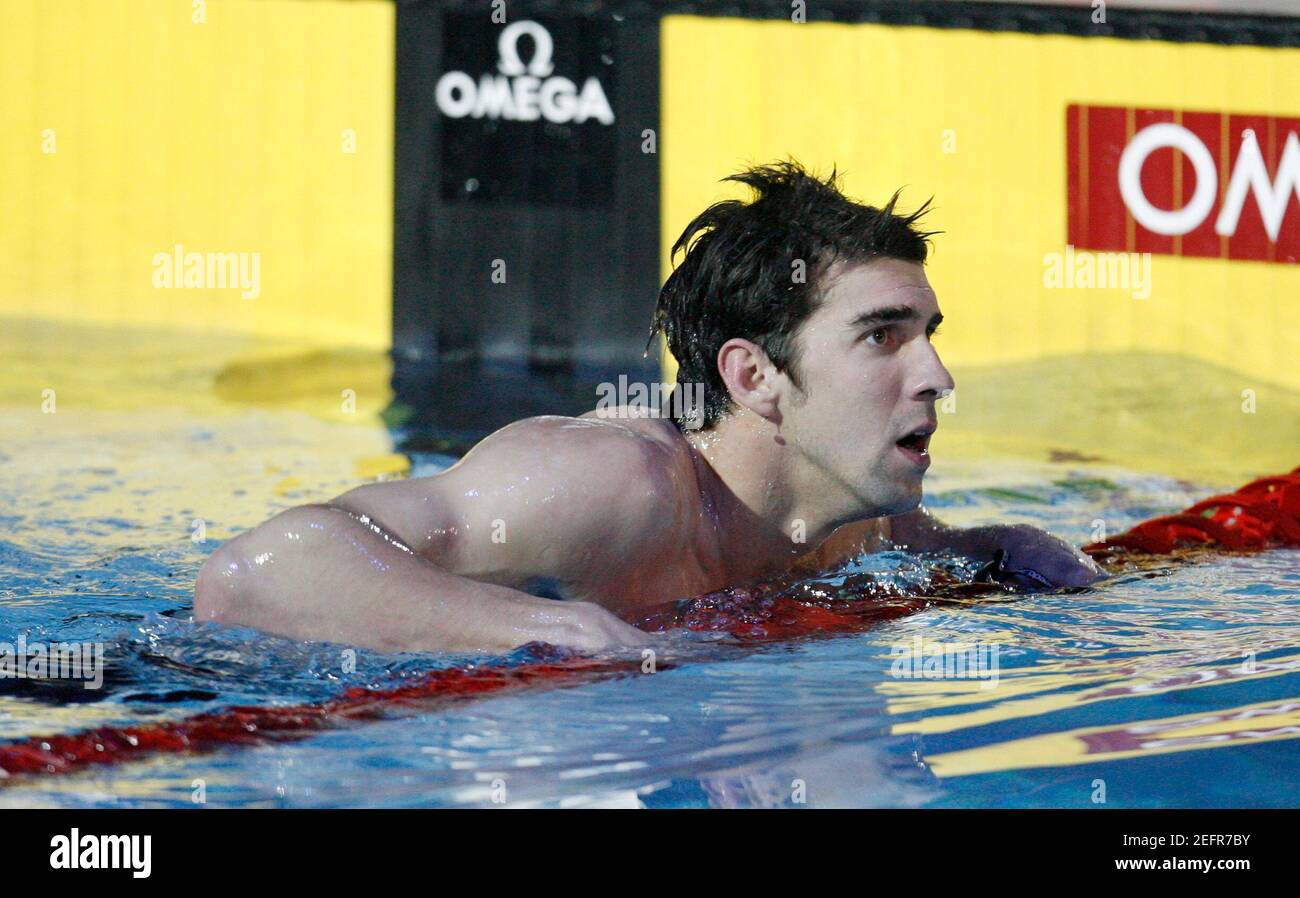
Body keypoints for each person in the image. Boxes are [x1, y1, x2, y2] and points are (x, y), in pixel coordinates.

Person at [194, 160, 1102, 653]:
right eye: (883, 337)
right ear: (753, 379)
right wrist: (558, 629)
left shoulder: (848, 520)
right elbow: (253, 575)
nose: (938, 374)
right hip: (175, 699)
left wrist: (992, 550)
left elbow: (920, 551)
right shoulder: (612, 485)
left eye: (930, 333)